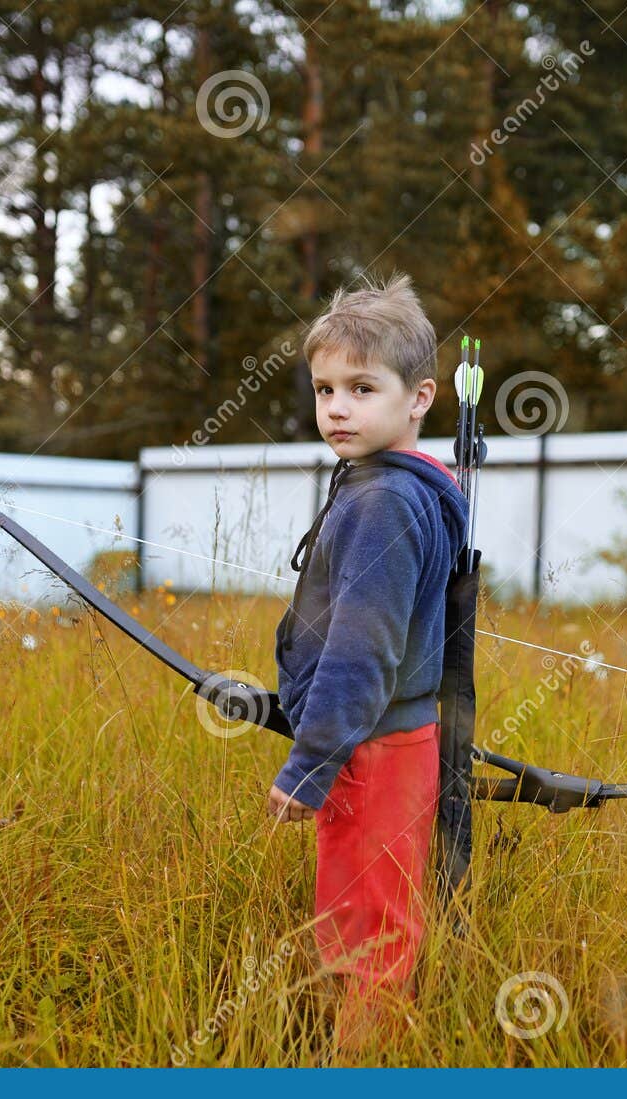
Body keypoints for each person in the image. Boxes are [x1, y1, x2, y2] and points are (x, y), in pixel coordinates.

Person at [265, 271, 468, 1056]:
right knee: (359, 910)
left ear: (418, 398)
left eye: (362, 387)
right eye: (324, 390)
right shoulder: (390, 484)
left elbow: (363, 648)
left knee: (371, 930)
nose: (337, 408)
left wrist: (308, 764)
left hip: (372, 752)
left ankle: (364, 1067)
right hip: (376, 742)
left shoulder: (385, 499)